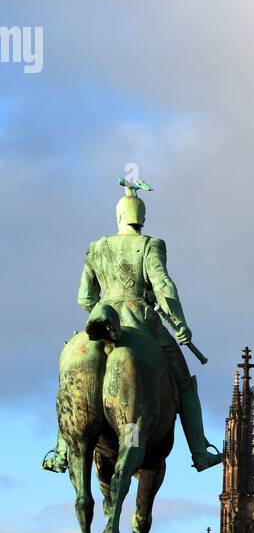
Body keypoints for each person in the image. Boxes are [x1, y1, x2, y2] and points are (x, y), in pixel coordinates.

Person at [43, 180, 222, 473]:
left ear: (119, 217)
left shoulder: (96, 247)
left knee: (69, 379)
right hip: (143, 324)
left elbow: (84, 297)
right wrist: (180, 323)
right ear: (142, 218)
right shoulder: (151, 245)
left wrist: (104, 309)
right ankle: (201, 454)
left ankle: (61, 451)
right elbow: (164, 286)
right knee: (185, 385)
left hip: (102, 319)